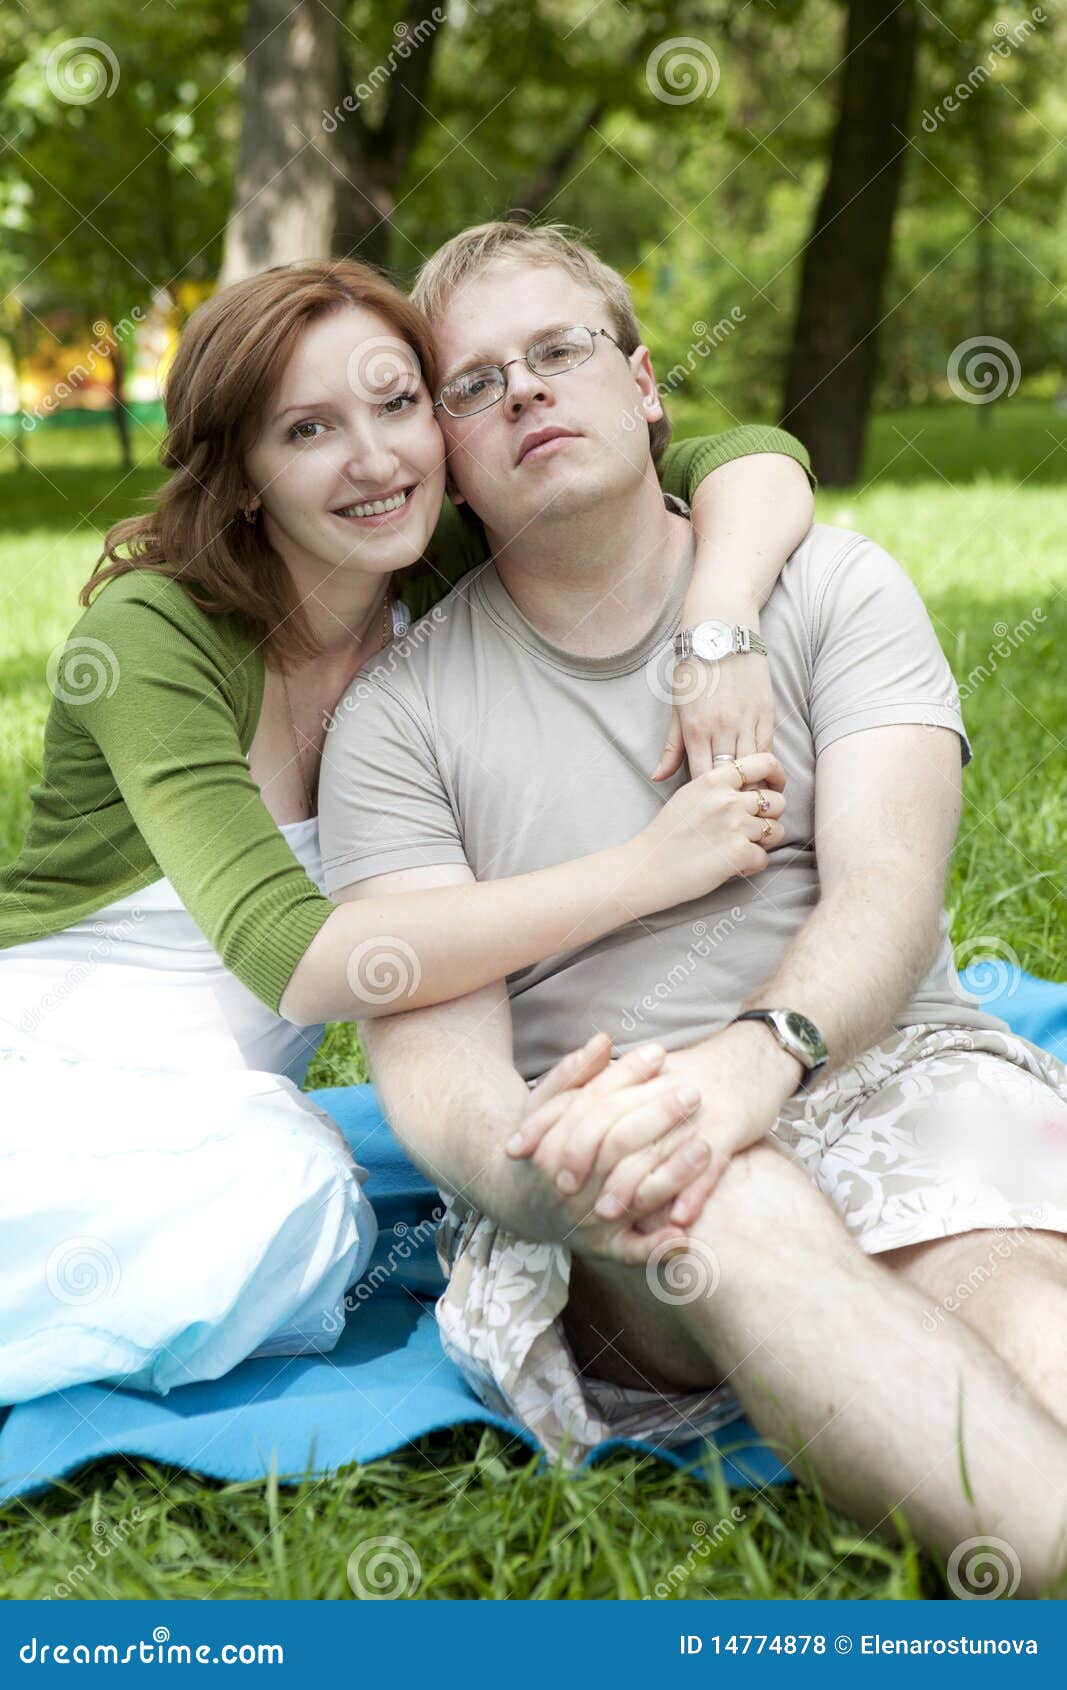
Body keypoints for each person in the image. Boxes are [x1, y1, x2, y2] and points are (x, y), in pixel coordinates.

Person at [319, 222, 1067, 1595]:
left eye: (557, 351)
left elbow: (886, 898)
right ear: (446, 453)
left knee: (1019, 1306)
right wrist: (572, 1171)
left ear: (645, 382)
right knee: (719, 1195)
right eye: (474, 383)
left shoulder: (830, 584)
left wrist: (753, 1055)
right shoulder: (394, 717)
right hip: (610, 1144)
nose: (526, 391)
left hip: (879, 1066)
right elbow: (437, 1079)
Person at [0, 259, 814, 1404]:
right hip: (56, 1056)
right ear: (241, 475)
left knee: (288, 1206)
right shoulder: (156, 632)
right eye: (309, 430)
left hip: (219, 1101)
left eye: (397, 406)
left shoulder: (432, 571)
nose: (375, 460)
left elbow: (747, 457)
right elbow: (303, 960)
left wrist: (718, 624)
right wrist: (642, 872)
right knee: (288, 1200)